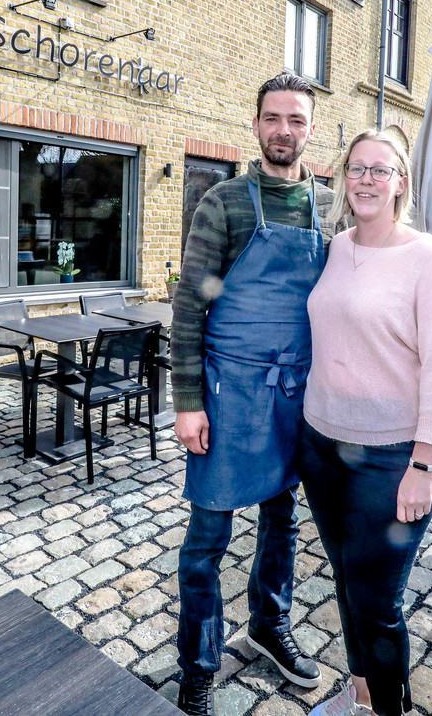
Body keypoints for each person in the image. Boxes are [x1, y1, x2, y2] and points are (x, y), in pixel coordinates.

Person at [170, 73, 336, 716]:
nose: (283, 131)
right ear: (257, 123)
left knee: (282, 522)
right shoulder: (224, 202)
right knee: (208, 536)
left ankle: (269, 626)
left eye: (296, 120)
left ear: (310, 129)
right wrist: (188, 402)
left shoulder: (329, 207)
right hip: (229, 391)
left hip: (296, 393)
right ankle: (198, 666)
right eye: (273, 118)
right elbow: (190, 306)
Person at [299, 128, 432, 716]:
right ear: (344, 181)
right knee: (347, 584)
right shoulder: (337, 247)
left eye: (380, 170)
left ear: (401, 182)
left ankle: (388, 710)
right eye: (356, 169)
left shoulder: (430, 262)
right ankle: (362, 693)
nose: (367, 179)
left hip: (390, 457)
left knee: (376, 601)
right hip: (321, 445)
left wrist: (424, 465)